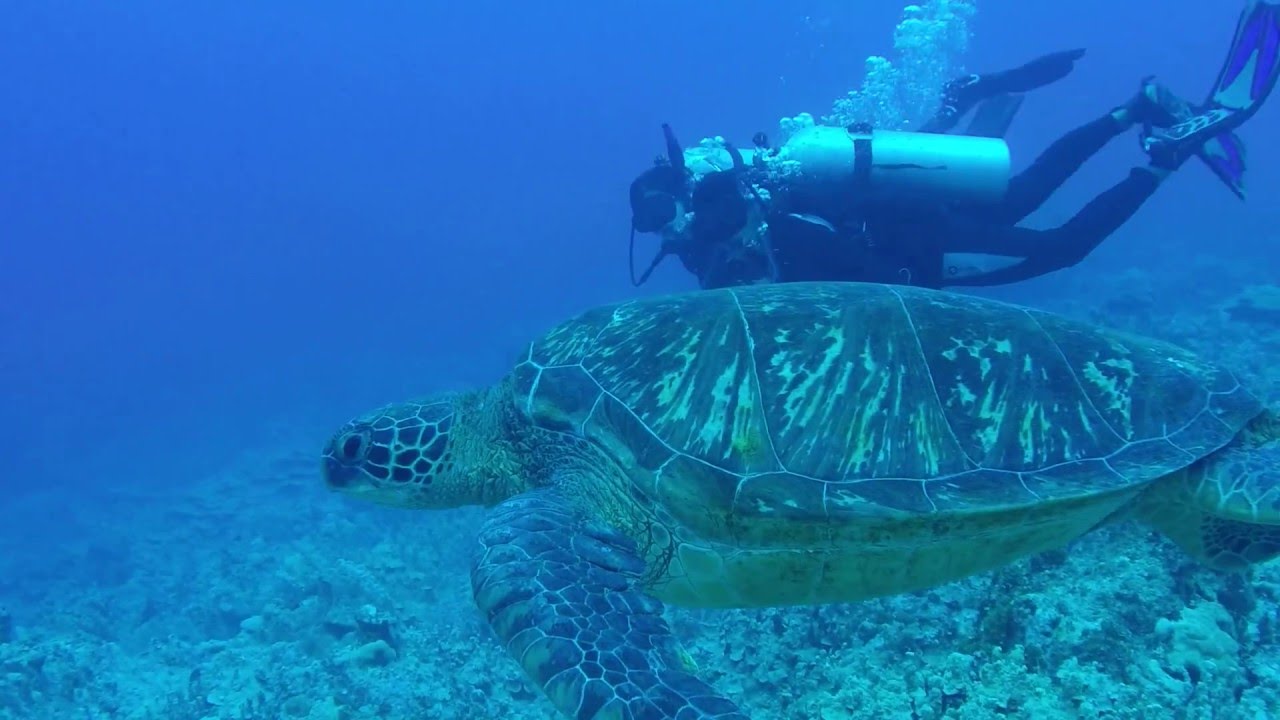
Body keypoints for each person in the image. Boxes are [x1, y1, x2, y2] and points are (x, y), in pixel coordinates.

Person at [628, 0, 1280, 290]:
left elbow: (851, 272)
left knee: (1063, 247)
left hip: (918, 253)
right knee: (1022, 195)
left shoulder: (742, 228)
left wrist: (908, 289)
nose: (669, 231)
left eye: (662, 218)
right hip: (906, 214)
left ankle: (1162, 159)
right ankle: (1133, 109)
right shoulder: (741, 214)